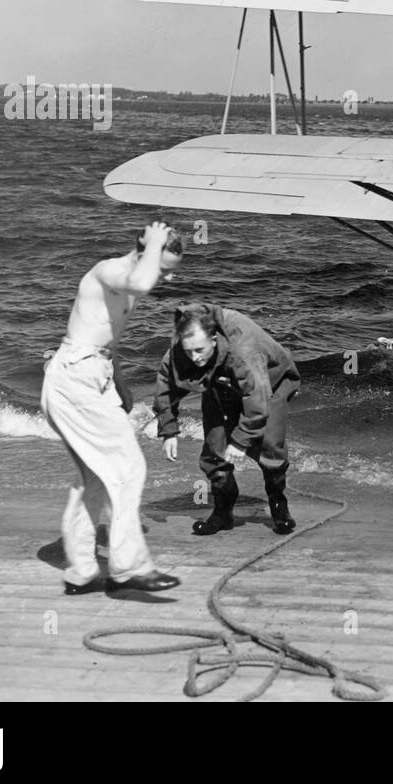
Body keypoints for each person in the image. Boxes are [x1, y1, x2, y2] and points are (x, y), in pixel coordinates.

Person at [41, 222, 184, 595]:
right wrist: (154, 243)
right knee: (129, 467)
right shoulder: (111, 271)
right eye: (165, 269)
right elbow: (140, 281)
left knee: (95, 477)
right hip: (74, 378)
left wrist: (118, 383)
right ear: (143, 253)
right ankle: (128, 567)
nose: (167, 279)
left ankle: (83, 571)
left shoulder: (126, 284)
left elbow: (104, 337)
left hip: (88, 376)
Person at [153, 303, 301, 536]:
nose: (194, 357)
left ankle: (278, 505)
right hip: (220, 383)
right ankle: (222, 512)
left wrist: (241, 439)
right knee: (214, 451)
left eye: (199, 350)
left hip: (269, 384)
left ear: (213, 339)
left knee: (270, 446)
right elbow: (165, 383)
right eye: (188, 351)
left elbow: (256, 398)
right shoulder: (184, 344)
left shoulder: (244, 349)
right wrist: (168, 430)